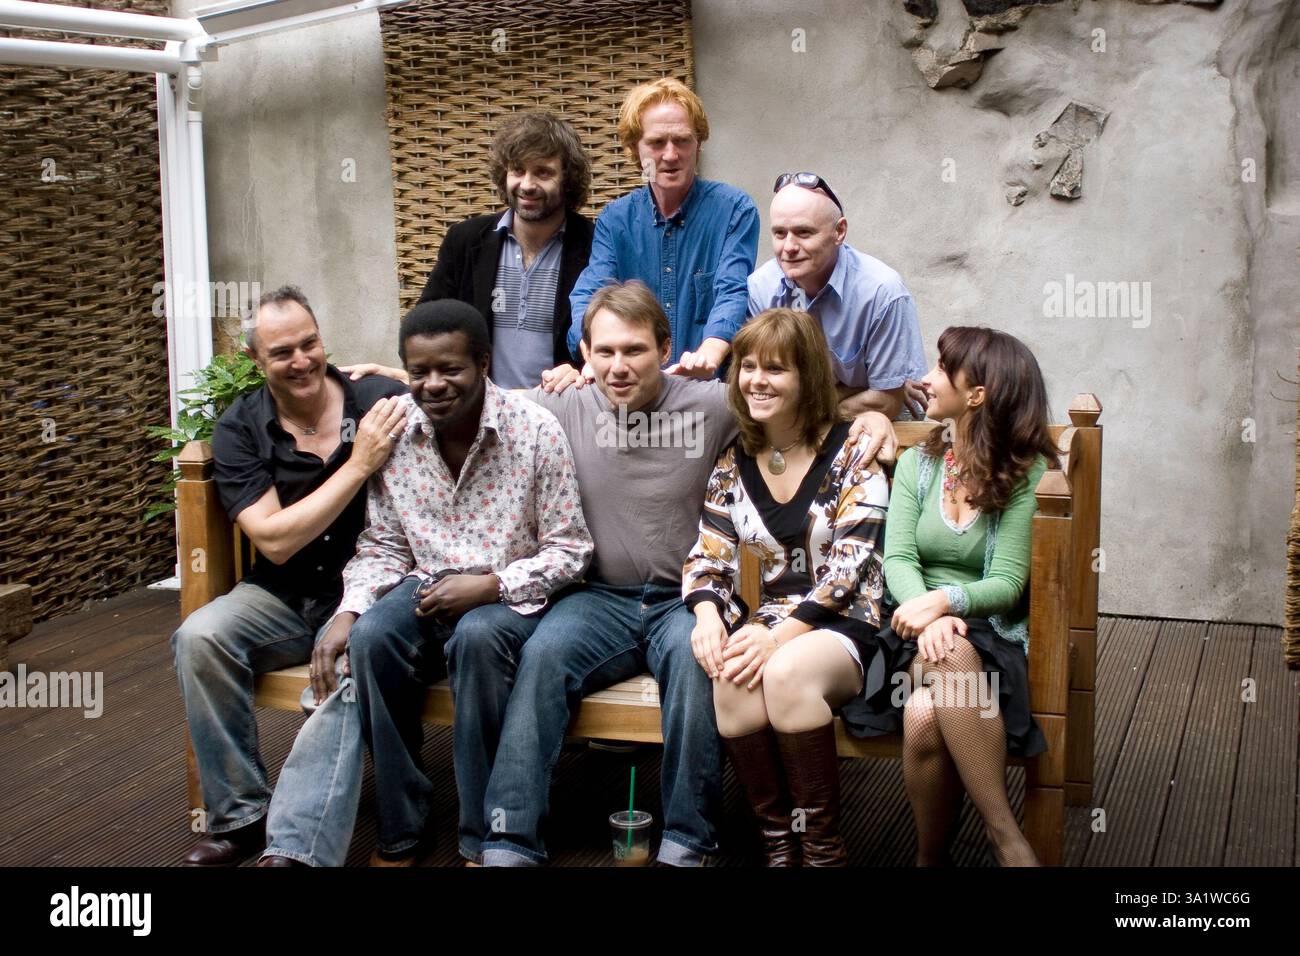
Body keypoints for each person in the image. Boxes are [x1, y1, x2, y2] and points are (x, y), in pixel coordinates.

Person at [343, 282, 898, 866]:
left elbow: (789, 401)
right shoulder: (558, 407)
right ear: (583, 353)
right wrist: (394, 375)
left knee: (697, 665)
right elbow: (474, 392)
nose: (618, 366)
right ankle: (509, 841)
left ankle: (688, 842)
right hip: (596, 598)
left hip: (685, 599)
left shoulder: (712, 405)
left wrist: (875, 424)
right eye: (603, 351)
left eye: (634, 350)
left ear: (664, 348)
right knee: (542, 659)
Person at [255, 299, 592, 867]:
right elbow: (383, 544)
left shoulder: (535, 430)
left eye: (451, 369)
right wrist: (350, 610)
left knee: (478, 639)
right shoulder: (394, 434)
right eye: (419, 372)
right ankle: (401, 823)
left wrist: (492, 586)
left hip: (510, 599)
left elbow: (571, 548)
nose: (433, 385)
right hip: (423, 587)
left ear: (483, 362)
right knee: (371, 641)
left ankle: (482, 833)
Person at [170, 286, 407, 866]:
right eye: (282, 353)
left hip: (369, 594)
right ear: (256, 361)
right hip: (282, 594)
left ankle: (295, 848)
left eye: (310, 343)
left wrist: (402, 371)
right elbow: (273, 540)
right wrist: (358, 466)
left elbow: (465, 389)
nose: (301, 361)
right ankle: (240, 815)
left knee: (351, 658)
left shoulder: (375, 400)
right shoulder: (241, 427)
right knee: (199, 638)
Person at [682, 308, 890, 866]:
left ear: (807, 379)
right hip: (771, 616)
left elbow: (850, 567)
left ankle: (823, 852)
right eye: (747, 366)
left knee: (786, 673)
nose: (757, 379)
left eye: (776, 368)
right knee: (730, 675)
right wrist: (708, 617)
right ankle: (780, 848)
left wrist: (776, 638)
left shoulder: (852, 454)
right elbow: (710, 554)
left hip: (847, 618)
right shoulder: (734, 461)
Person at [859, 325, 1058, 867]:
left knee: (924, 713)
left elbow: (1009, 583)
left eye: (943, 369)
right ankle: (1006, 837)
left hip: (990, 639)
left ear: (977, 395)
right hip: (909, 630)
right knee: (944, 654)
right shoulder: (921, 463)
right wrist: (926, 615)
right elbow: (897, 558)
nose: (927, 378)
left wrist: (947, 604)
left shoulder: (1027, 474)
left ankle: (931, 860)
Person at [565, 77, 759, 376]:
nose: (670, 155)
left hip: (707, 390)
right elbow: (589, 295)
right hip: (634, 392)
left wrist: (709, 354)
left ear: (698, 144)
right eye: (656, 143)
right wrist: (591, 353)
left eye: (682, 140)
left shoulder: (734, 210)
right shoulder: (615, 220)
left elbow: (732, 291)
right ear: (634, 149)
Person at [418, 110, 594, 388]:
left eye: (543, 172)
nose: (527, 185)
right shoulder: (464, 241)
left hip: (564, 409)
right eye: (518, 171)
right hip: (481, 413)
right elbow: (427, 327)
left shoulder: (595, 246)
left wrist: (579, 371)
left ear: (568, 179)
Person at [748, 173, 928, 419]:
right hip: (799, 432)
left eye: (803, 232)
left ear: (839, 231)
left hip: (882, 430)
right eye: (780, 233)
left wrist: (806, 411)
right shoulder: (761, 288)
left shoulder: (881, 292)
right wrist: (861, 387)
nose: (788, 247)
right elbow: (769, 391)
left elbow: (886, 402)